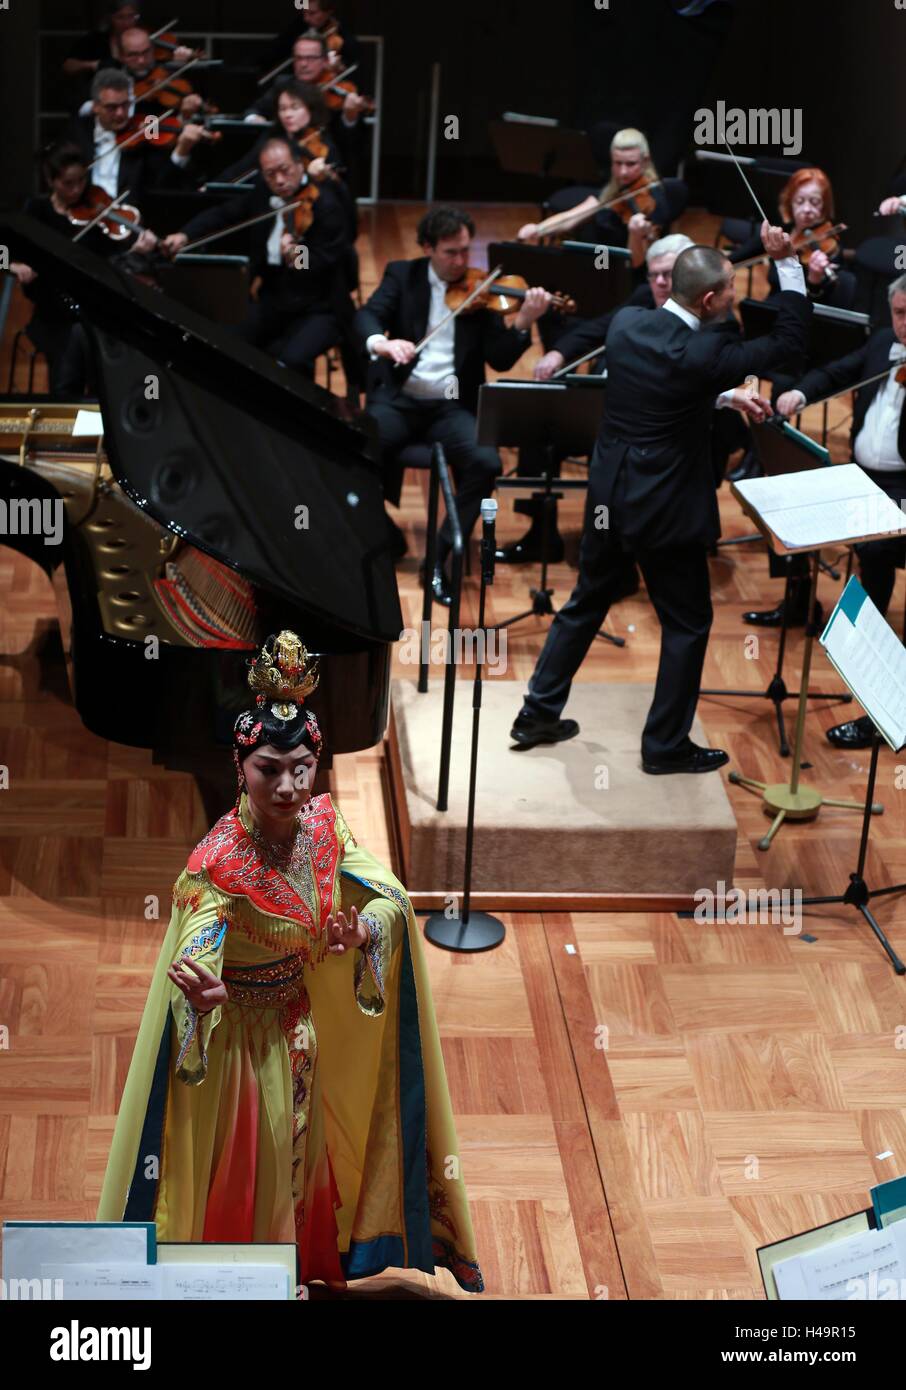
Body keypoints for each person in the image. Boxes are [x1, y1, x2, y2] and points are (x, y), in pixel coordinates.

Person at [96, 631, 483, 1292]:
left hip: (299, 1030)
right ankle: (248, 1282)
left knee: (300, 1164)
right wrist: (201, 994)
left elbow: (387, 896)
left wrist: (365, 929)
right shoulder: (221, 863)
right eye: (268, 769)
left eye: (301, 766)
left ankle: (292, 1274)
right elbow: (197, 944)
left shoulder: (324, 829)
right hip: (241, 1052)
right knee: (261, 1165)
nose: (288, 785)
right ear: (239, 767)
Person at [510, 224, 813, 774]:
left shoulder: (629, 325)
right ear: (709, 299)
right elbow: (789, 344)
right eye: (731, 290)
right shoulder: (709, 347)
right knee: (688, 623)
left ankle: (536, 712)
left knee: (586, 601)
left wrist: (723, 397)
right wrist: (786, 265)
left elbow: (667, 382)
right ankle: (665, 745)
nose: (736, 297)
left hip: (610, 493)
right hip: (664, 507)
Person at [353, 206, 550, 602]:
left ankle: (439, 557)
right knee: (355, 451)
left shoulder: (482, 292)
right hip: (401, 400)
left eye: (465, 251)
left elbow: (500, 358)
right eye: (450, 252)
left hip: (451, 406)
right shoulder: (401, 275)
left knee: (487, 462)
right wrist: (384, 343)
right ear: (428, 247)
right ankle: (380, 533)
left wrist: (525, 321)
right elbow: (367, 317)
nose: (461, 262)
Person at [772, 272, 906, 749]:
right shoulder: (882, 345)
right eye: (899, 314)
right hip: (866, 480)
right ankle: (800, 602)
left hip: (903, 489)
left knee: (877, 558)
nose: (905, 325)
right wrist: (801, 393)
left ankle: (883, 697)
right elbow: (838, 372)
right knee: (789, 499)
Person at [161, 137, 354, 380]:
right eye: (271, 174)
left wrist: (296, 253)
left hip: (319, 305)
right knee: (226, 341)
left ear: (299, 165)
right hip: (274, 298)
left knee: (290, 360)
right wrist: (186, 234)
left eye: (284, 171)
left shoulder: (325, 204)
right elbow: (224, 214)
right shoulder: (264, 194)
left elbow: (322, 262)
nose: (280, 181)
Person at [9, 143, 159, 396]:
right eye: (68, 183)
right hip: (51, 315)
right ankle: (65, 413)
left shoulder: (95, 209)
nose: (78, 189)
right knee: (72, 351)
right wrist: (15, 265)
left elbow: (112, 260)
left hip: (93, 311)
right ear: (51, 180)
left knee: (104, 346)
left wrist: (136, 250)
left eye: (81, 180)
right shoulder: (36, 210)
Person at [516, 128, 676, 269]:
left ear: (645, 161)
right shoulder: (613, 191)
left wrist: (635, 234)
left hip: (623, 273)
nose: (623, 172)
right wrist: (538, 229)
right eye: (617, 163)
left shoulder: (655, 202)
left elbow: (635, 263)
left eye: (630, 164)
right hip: (601, 262)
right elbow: (570, 218)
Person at [246, 32, 369, 196]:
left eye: (310, 58)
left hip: (328, 167)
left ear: (325, 61)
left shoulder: (340, 90)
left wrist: (349, 117)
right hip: (285, 170)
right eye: (298, 58)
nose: (303, 64)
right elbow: (254, 110)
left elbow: (353, 143)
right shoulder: (283, 84)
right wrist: (255, 119)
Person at [65, 67, 199, 200]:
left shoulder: (145, 134)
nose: (121, 113)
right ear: (95, 106)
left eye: (125, 105)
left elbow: (164, 185)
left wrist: (181, 152)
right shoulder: (77, 132)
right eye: (112, 107)